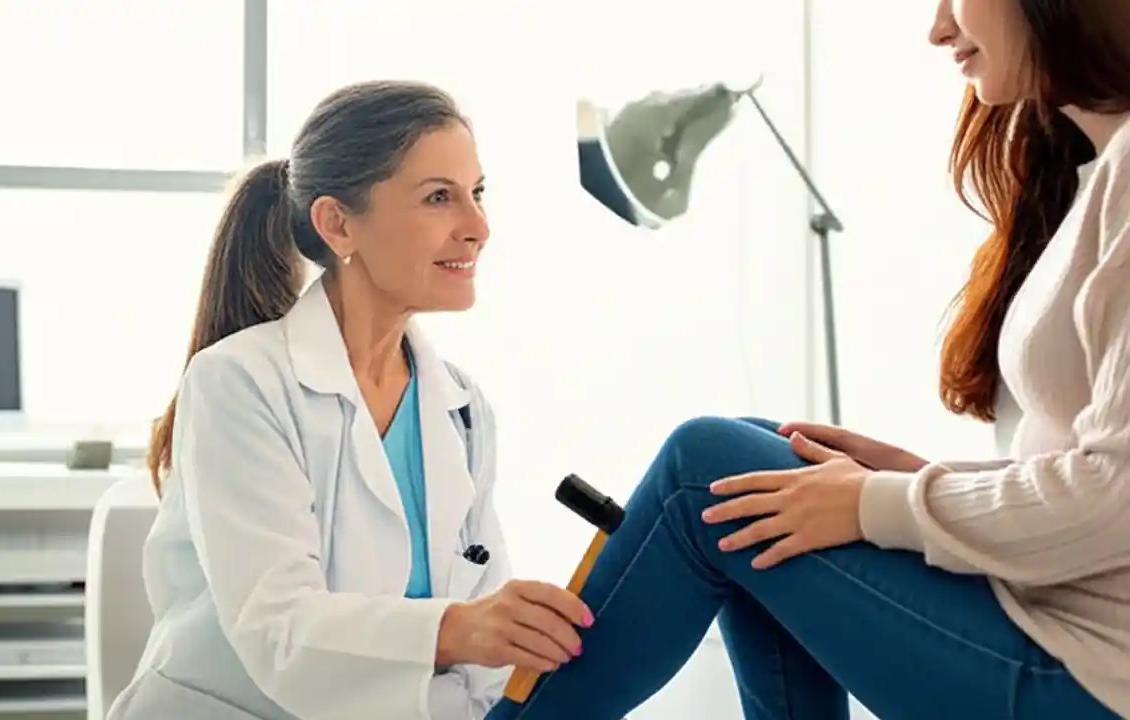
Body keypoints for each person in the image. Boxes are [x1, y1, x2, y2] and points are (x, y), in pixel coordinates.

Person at [483, 0, 1130, 717]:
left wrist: (873, 504)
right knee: (766, 461)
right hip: (1067, 638)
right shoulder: (1101, 173)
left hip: (1090, 673)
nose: (939, 27)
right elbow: (1090, 466)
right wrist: (911, 479)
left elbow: (1118, 500)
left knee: (707, 468)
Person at [106, 80, 590, 720]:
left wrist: (518, 636)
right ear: (337, 223)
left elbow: (483, 662)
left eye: (477, 194)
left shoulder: (461, 407)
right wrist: (460, 629)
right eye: (439, 198)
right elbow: (278, 629)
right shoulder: (239, 383)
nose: (478, 228)